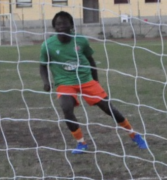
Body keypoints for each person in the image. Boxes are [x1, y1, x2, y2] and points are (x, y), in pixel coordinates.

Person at [39, 11, 147, 154]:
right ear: (54, 27)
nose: (62, 26)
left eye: (65, 23)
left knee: (109, 108)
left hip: (85, 79)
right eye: (58, 24)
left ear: (71, 25)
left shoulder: (81, 40)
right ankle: (81, 143)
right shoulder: (47, 45)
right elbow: (42, 65)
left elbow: (91, 61)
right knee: (66, 108)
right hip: (64, 82)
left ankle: (134, 135)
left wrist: (95, 81)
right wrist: (46, 82)